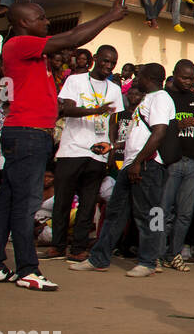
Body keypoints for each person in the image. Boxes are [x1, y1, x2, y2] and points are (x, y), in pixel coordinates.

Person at [0, 0, 127, 288]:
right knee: (25, 205)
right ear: (23, 22)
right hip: (28, 134)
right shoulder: (20, 44)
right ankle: (27, 271)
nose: (47, 22)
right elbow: (72, 38)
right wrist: (110, 16)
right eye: (41, 18)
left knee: (9, 203)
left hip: (26, 133)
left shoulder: (30, 52)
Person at [70, 62, 174, 278]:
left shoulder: (161, 98)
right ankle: (99, 258)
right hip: (131, 164)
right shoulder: (146, 100)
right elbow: (137, 135)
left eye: (140, 76)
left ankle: (148, 261)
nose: (136, 80)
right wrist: (115, 147)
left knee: (150, 214)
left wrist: (138, 162)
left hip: (147, 165)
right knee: (115, 213)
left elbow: (159, 132)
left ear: (149, 77)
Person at [47, 44, 122, 261]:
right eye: (105, 61)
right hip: (72, 148)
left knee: (88, 203)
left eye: (112, 63)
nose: (108, 66)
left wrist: (111, 149)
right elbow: (65, 109)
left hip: (98, 152)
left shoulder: (115, 89)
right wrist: (94, 110)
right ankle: (57, 245)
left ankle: (78, 248)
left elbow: (113, 123)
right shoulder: (75, 80)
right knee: (62, 200)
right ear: (96, 59)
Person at [158, 60, 194, 270]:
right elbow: (157, 128)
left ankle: (175, 253)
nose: (189, 82)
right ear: (174, 75)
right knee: (162, 211)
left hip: (193, 162)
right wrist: (179, 125)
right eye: (185, 78)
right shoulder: (166, 98)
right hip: (170, 161)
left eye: (192, 78)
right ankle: (157, 253)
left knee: (185, 213)